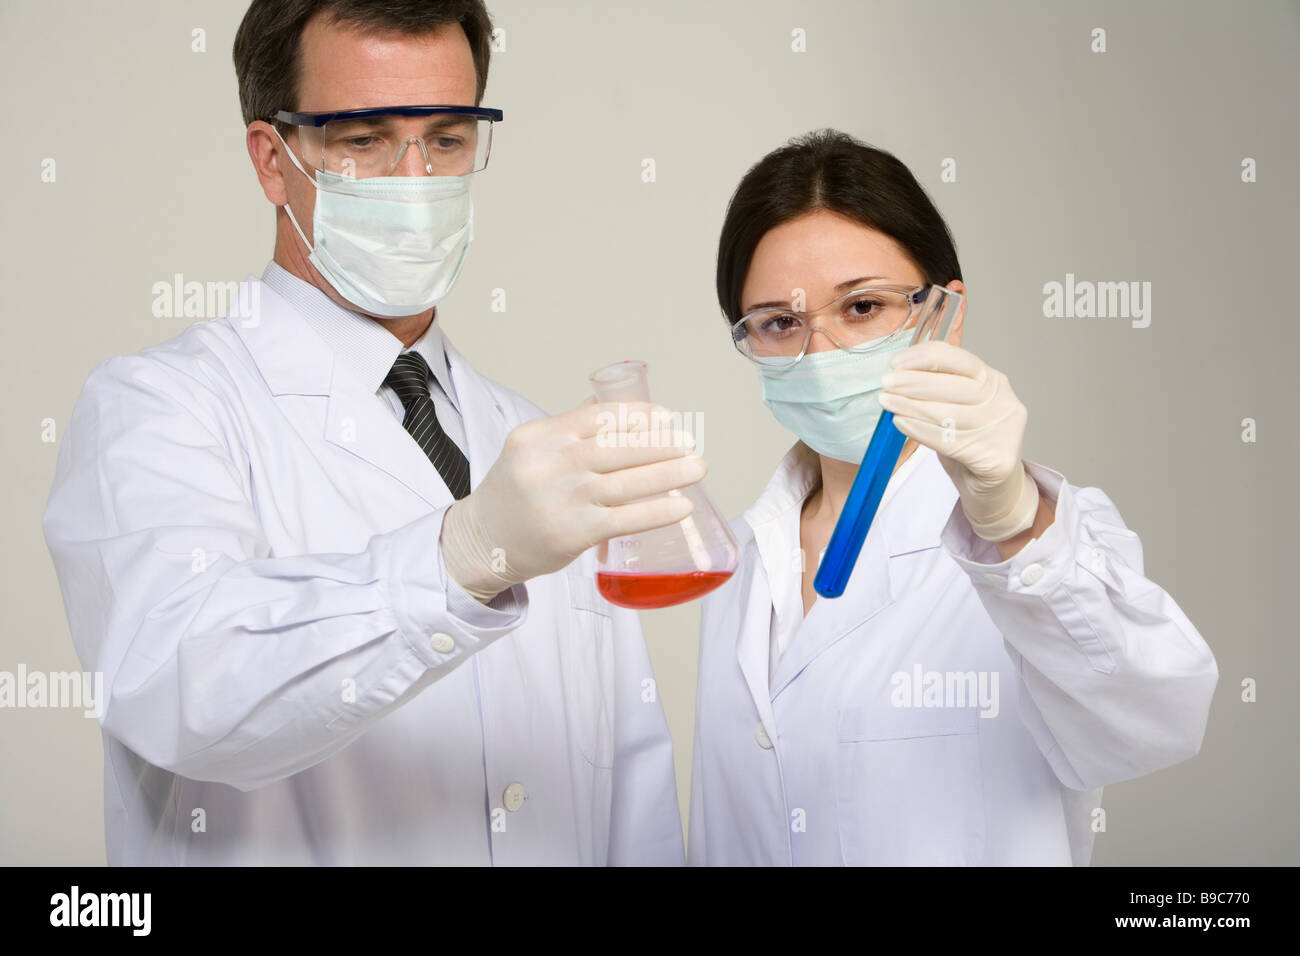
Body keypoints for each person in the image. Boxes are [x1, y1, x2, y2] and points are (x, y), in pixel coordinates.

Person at [41, 0, 700, 865]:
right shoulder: (159, 408)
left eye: (449, 138)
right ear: (273, 162)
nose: (416, 177)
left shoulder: (535, 441)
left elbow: (632, 794)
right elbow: (178, 688)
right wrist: (462, 554)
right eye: (363, 138)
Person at [687, 129, 1218, 866]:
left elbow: (1159, 720)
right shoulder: (740, 559)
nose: (823, 352)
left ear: (945, 314)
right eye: (780, 323)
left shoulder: (1040, 539)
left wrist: (1012, 524)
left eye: (863, 307)